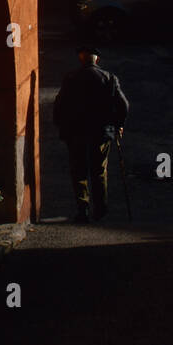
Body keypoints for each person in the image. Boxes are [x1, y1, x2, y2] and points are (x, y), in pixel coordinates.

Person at [53, 46, 129, 222]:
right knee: (99, 170)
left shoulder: (71, 78)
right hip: (101, 131)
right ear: (97, 60)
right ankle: (100, 209)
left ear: (81, 59)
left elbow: (59, 105)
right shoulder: (109, 78)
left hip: (76, 132)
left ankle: (83, 209)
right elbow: (123, 105)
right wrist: (119, 125)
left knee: (78, 170)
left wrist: (61, 125)